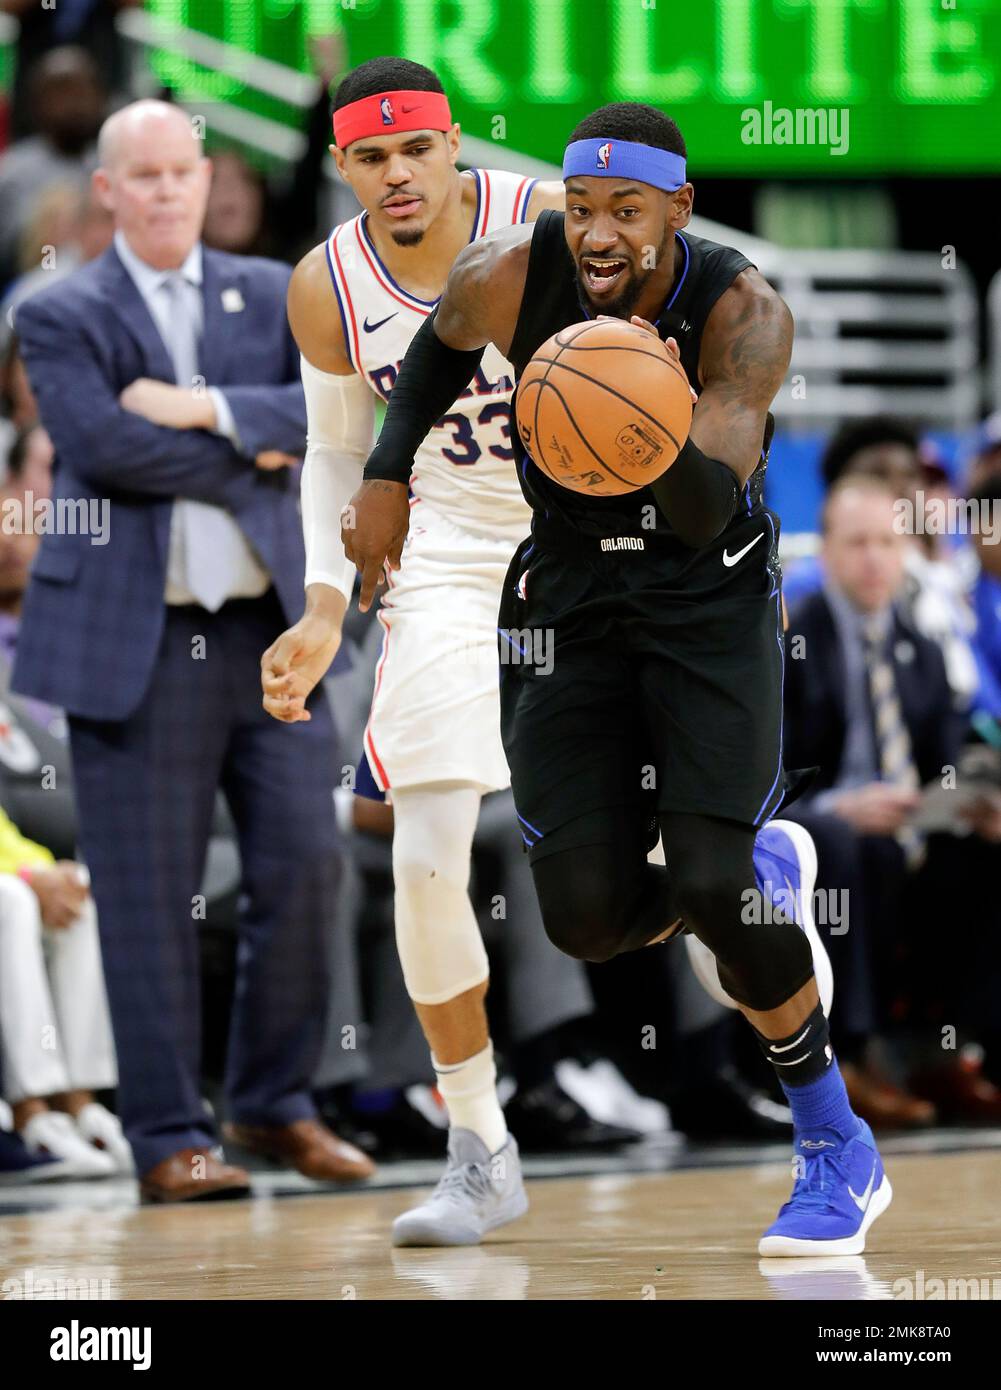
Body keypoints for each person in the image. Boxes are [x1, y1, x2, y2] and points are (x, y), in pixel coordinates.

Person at [341, 100, 887, 1257]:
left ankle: (834, 1142)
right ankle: (732, 876)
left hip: (703, 609)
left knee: (713, 884)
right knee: (585, 919)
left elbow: (699, 508)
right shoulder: (506, 273)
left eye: (624, 213)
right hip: (570, 611)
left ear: (676, 211)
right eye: (579, 206)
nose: (595, 233)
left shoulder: (742, 314)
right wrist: (388, 474)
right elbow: (439, 343)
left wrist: (630, 395)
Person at [11, 99, 372, 1203]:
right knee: (149, 894)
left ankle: (274, 1101)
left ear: (204, 176)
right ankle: (170, 1131)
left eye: (184, 171)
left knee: (306, 871)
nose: (171, 191)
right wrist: (243, 446)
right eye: (147, 175)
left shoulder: (271, 292)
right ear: (108, 190)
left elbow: (326, 417)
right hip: (139, 637)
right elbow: (99, 444)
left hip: (269, 632)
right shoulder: (58, 307)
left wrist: (199, 407)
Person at [261, 56, 568, 1245]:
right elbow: (339, 457)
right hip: (436, 539)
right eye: (370, 158)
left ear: (454, 150)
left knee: (648, 848)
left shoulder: (539, 227)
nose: (396, 175)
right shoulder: (324, 286)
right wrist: (325, 604)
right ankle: (479, 1142)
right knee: (423, 855)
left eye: (416, 151)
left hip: (577, 521)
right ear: (344, 168)